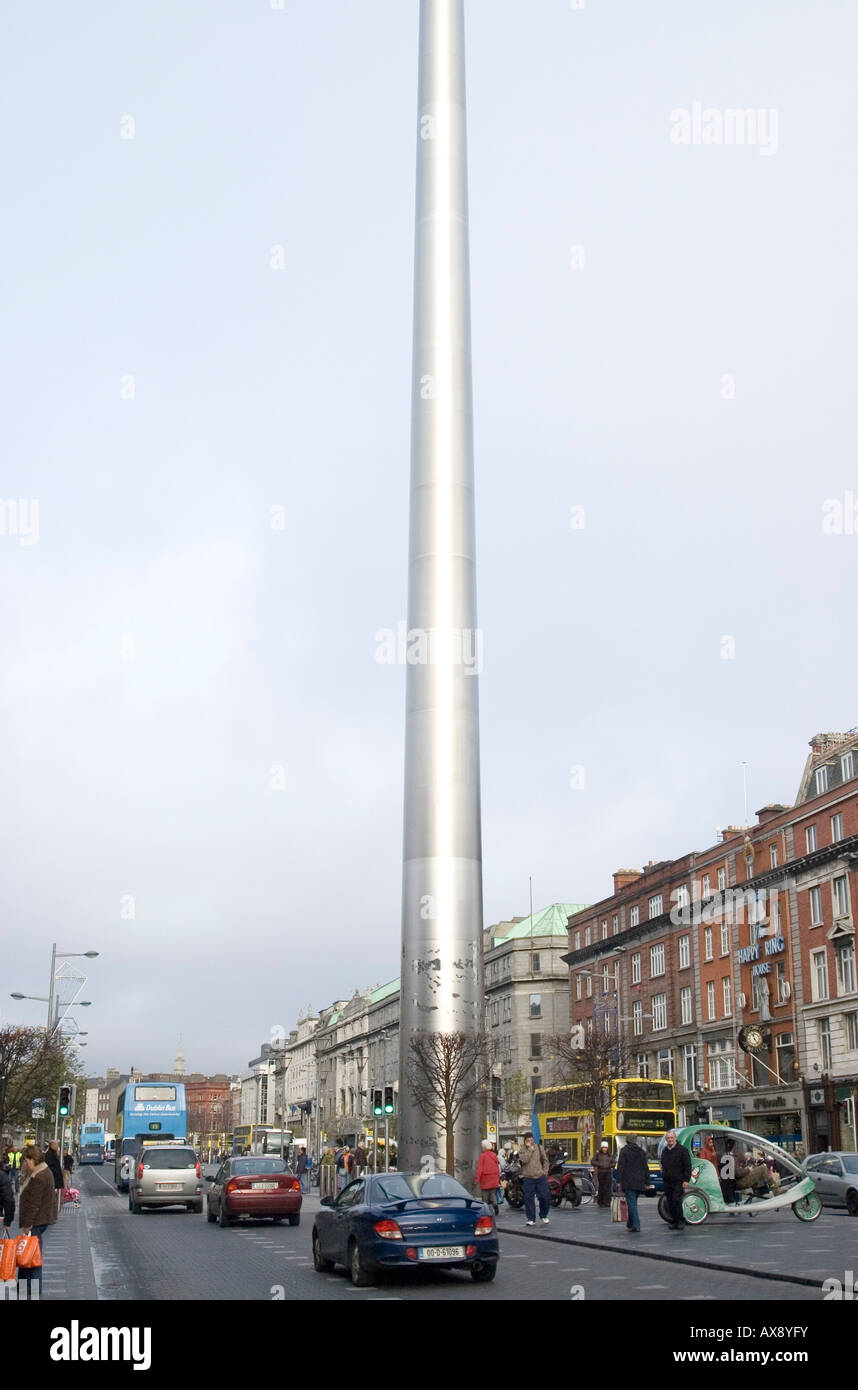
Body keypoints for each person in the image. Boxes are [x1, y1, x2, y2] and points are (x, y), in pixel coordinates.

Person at [18, 1144, 57, 1297]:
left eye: (27, 1161)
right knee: (29, 1256)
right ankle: (25, 1288)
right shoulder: (43, 1172)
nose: (26, 1164)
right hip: (40, 1219)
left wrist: (27, 1224)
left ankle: (32, 1290)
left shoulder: (39, 1177)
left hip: (36, 1221)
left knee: (33, 1259)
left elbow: (34, 1203)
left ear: (34, 1159)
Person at [615, 1134, 649, 1233]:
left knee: (632, 1204)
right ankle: (630, 1223)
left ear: (627, 1141)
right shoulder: (641, 1152)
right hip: (639, 1182)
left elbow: (621, 1167)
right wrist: (647, 1181)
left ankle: (636, 1225)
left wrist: (618, 1181)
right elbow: (645, 1167)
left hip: (628, 1181)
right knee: (632, 1203)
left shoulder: (624, 1151)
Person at [660, 1129, 692, 1230]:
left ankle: (681, 1220)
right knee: (670, 1202)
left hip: (679, 1181)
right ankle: (674, 1221)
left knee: (676, 1200)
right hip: (667, 1181)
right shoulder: (665, 1151)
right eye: (668, 1138)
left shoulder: (682, 1150)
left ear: (675, 1139)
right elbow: (663, 1164)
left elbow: (687, 1166)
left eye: (671, 1138)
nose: (670, 1140)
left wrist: (686, 1180)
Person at [519, 1132, 551, 1227]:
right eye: (528, 1140)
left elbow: (545, 1160)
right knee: (529, 1199)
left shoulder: (539, 1147)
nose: (530, 1142)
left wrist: (544, 1172)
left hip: (540, 1176)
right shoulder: (522, 1150)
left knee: (545, 1197)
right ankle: (531, 1218)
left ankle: (543, 1214)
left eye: (531, 1140)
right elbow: (524, 1160)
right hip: (528, 1177)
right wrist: (529, 1150)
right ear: (525, 1141)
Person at [475, 1139, 500, 1215]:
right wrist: (498, 1178)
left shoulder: (482, 1156)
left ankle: (486, 1210)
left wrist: (477, 1178)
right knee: (493, 1193)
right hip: (494, 1177)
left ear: (484, 1147)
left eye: (482, 1147)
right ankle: (495, 1204)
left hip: (485, 1178)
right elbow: (497, 1167)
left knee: (485, 1195)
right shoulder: (494, 1155)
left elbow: (480, 1168)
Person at [592, 1141, 614, 1208]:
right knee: (601, 1187)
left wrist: (609, 1165)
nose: (604, 1149)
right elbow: (592, 1161)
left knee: (608, 1188)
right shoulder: (598, 1154)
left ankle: (607, 1202)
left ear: (607, 1148)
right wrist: (600, 1165)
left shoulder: (610, 1155)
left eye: (606, 1147)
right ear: (601, 1148)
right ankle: (601, 1202)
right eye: (603, 1147)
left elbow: (614, 1163)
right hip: (601, 1172)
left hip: (608, 1172)